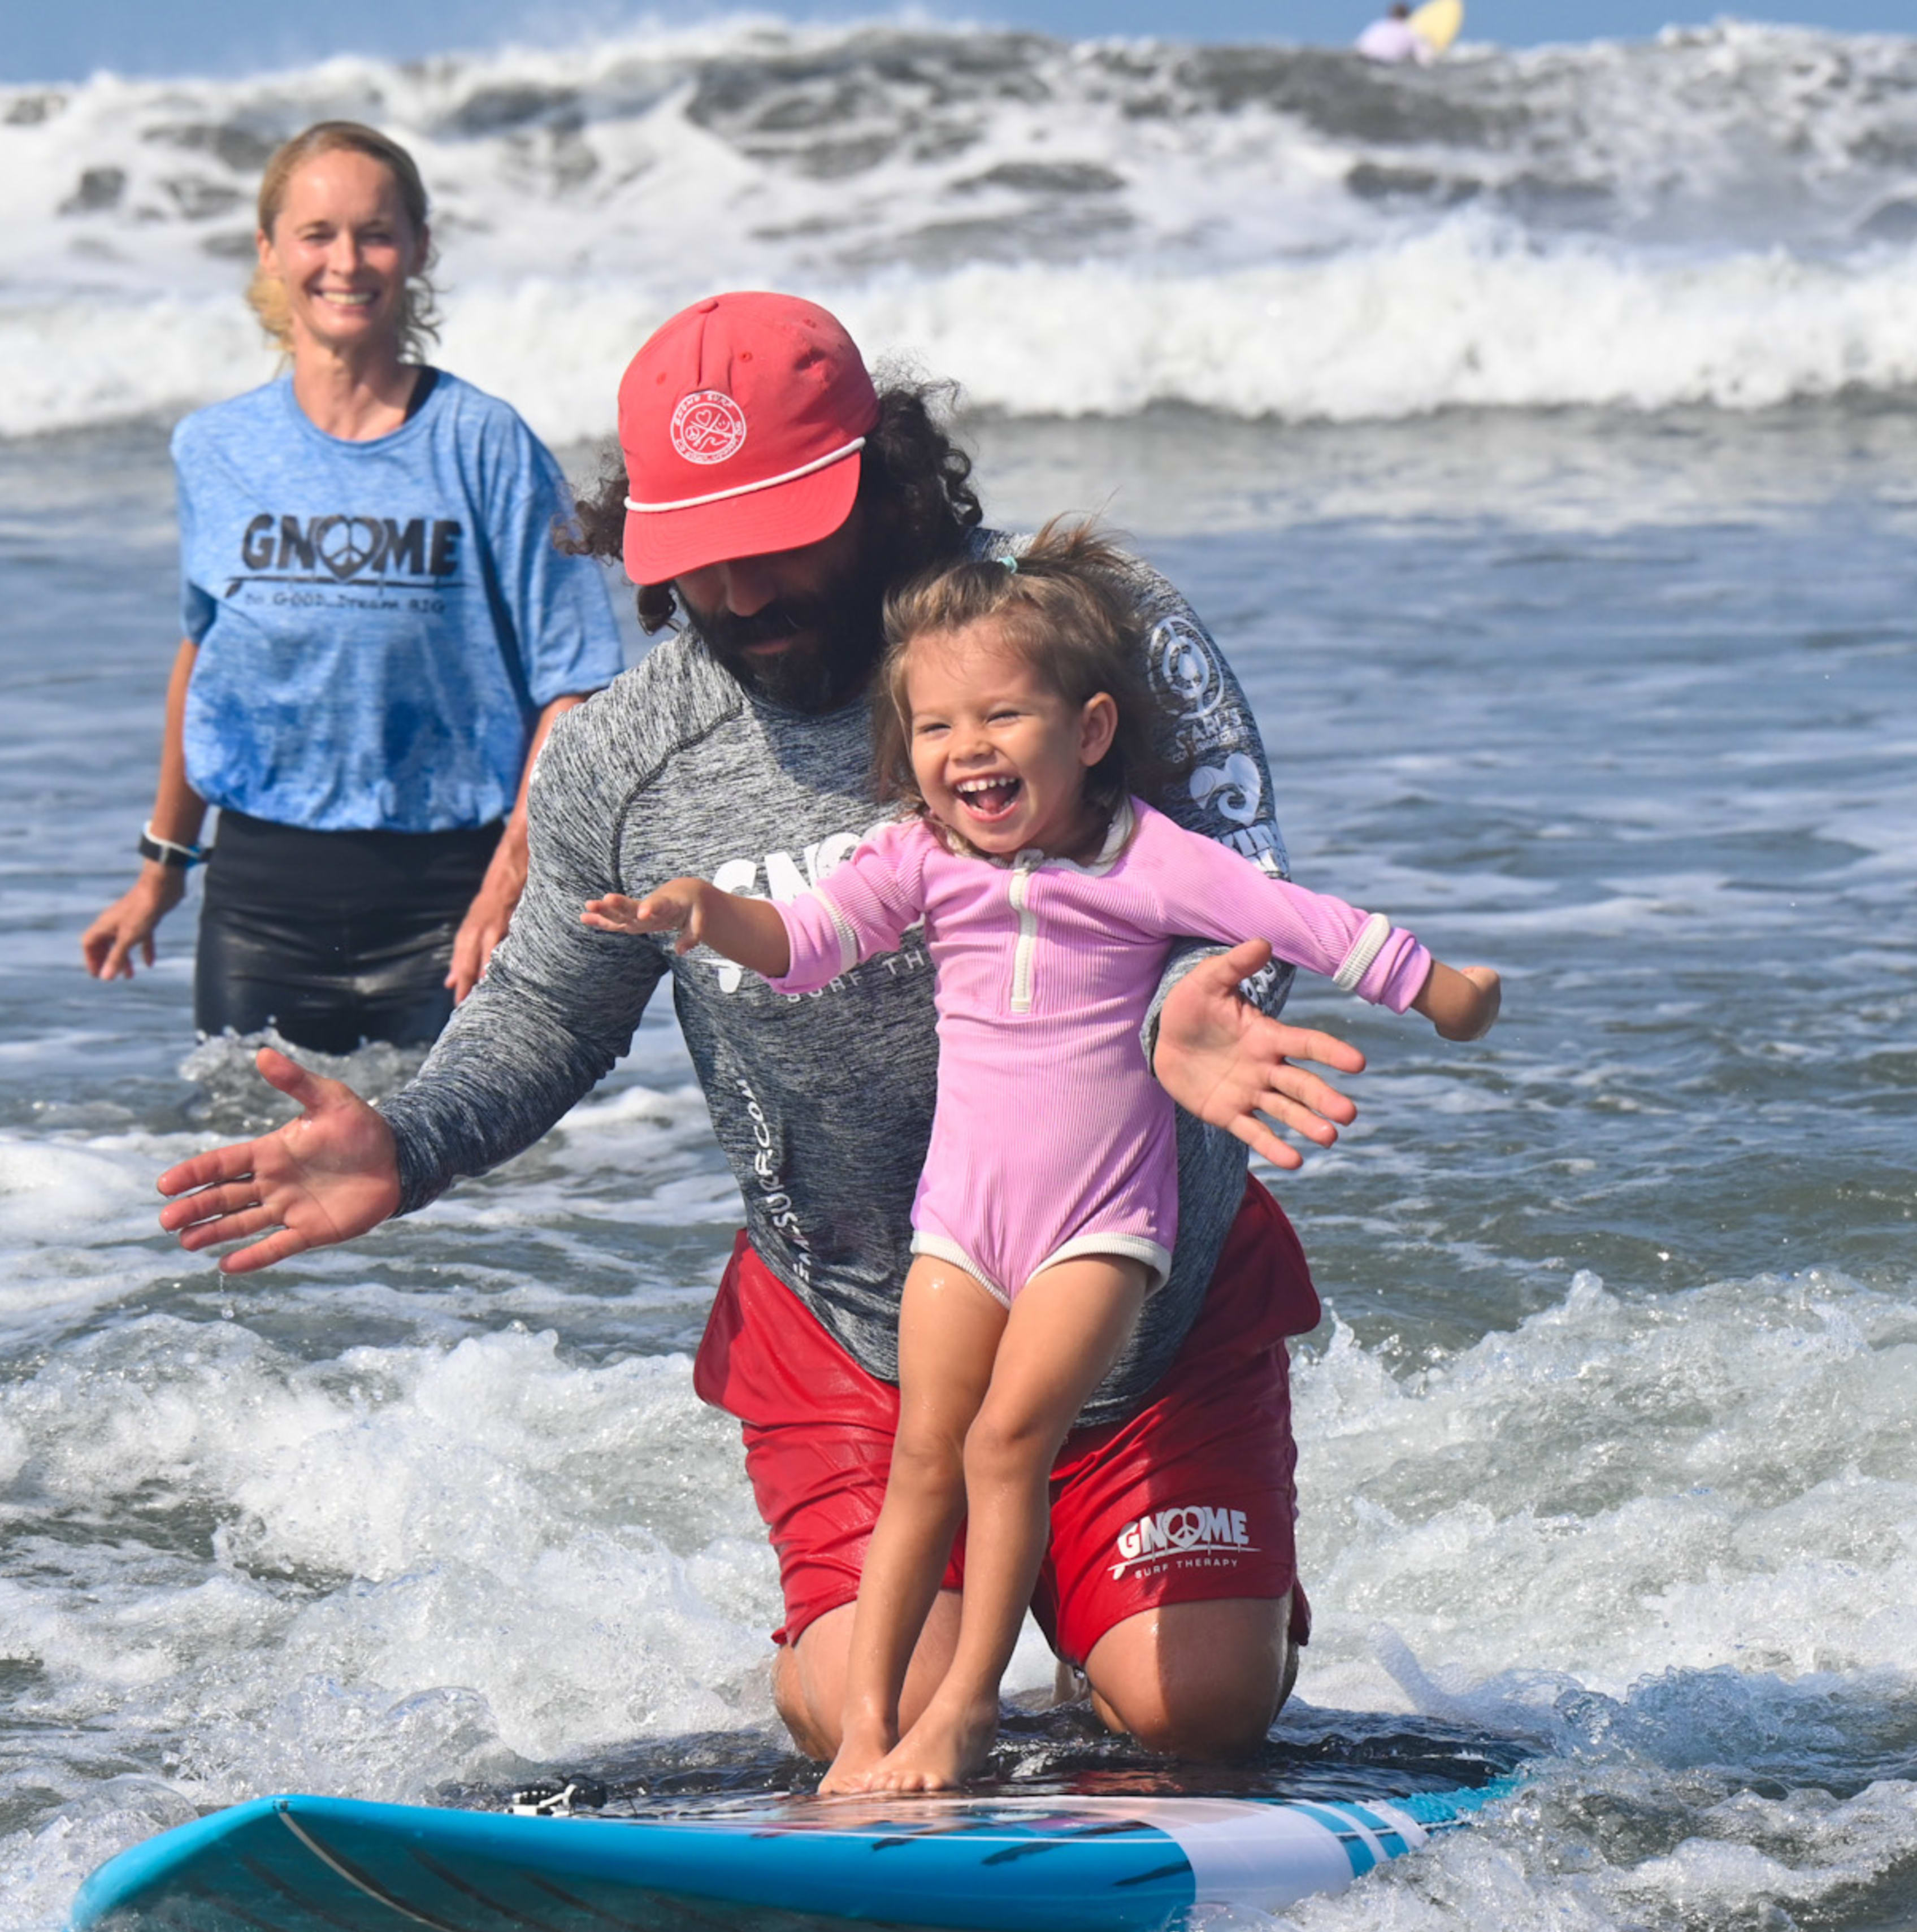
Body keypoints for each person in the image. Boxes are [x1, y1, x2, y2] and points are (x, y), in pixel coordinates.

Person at [154, 290, 1398, 1768]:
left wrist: (1202, 1007)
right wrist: (409, 1144)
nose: (740, 592)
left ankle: (1113, 1628)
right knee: (872, 1713)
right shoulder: (627, 757)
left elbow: (1245, 879)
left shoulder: (1087, 639)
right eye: (698, 553)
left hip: (1144, 1308)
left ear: (883, 483)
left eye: (777, 536)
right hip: (866, 1335)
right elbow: (549, 1008)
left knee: (1192, 1711)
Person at [580, 523, 1499, 1790]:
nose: (968, 749)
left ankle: (964, 1712)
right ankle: (869, 1733)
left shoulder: (1150, 861)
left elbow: (1304, 921)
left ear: (1091, 729)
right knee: (928, 1454)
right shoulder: (918, 857)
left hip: (1100, 1229)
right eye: (936, 727)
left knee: (1007, 1441)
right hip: (959, 1223)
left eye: (1003, 716)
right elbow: (806, 941)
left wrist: (1444, 991)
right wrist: (709, 912)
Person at [81, 119, 622, 1053]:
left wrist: (512, 878)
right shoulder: (214, 449)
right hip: (258, 904)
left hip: (451, 899)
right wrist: (161, 869)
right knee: (250, 1143)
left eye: (375, 234)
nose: (346, 261)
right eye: (317, 234)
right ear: (270, 250)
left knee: (466, 1152)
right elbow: (204, 659)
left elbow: (572, 683)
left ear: (419, 247)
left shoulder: (484, 443)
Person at [1356, 5, 1435, 63]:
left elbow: (1360, 45)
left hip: (1363, 57)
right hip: (1385, 63)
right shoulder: (1411, 31)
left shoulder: (1377, 26)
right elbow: (1425, 57)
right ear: (1408, 15)